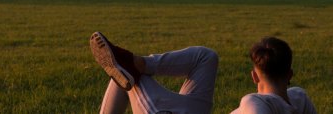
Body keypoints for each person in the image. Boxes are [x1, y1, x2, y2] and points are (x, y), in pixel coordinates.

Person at [90, 32, 316, 114]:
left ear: (254, 77)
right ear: (290, 74)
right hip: (195, 110)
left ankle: (134, 64)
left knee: (129, 74)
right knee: (206, 57)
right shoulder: (299, 97)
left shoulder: (253, 102)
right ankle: (143, 63)